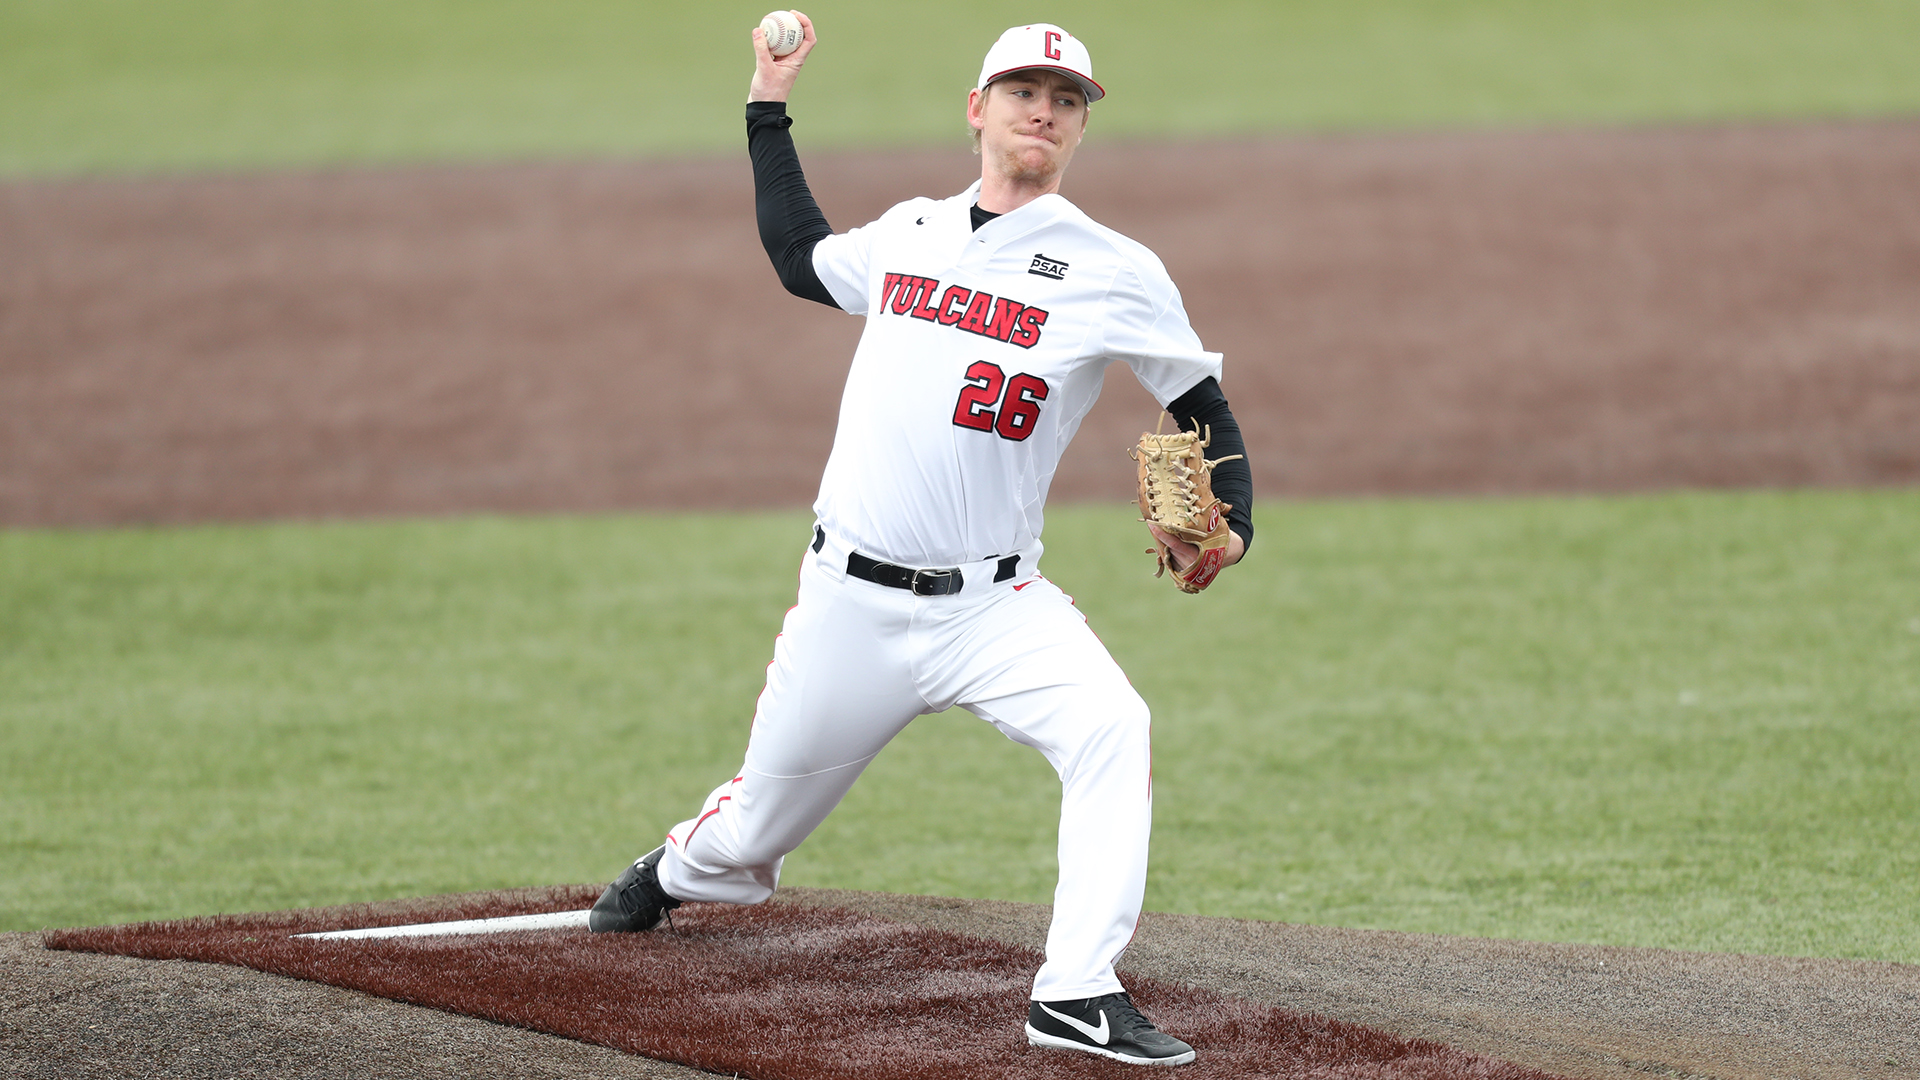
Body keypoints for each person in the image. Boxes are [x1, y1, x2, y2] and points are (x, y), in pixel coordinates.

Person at [589, 15, 1253, 1068]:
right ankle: (676, 872)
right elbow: (800, 257)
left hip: (996, 606)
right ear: (978, 110)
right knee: (754, 834)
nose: (1044, 108)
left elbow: (1201, 402)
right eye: (1024, 89)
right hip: (849, 603)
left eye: (1066, 98)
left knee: (1113, 728)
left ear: (1079, 128)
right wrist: (768, 104)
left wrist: (1238, 527)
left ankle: (1075, 992)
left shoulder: (1112, 268)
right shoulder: (907, 232)